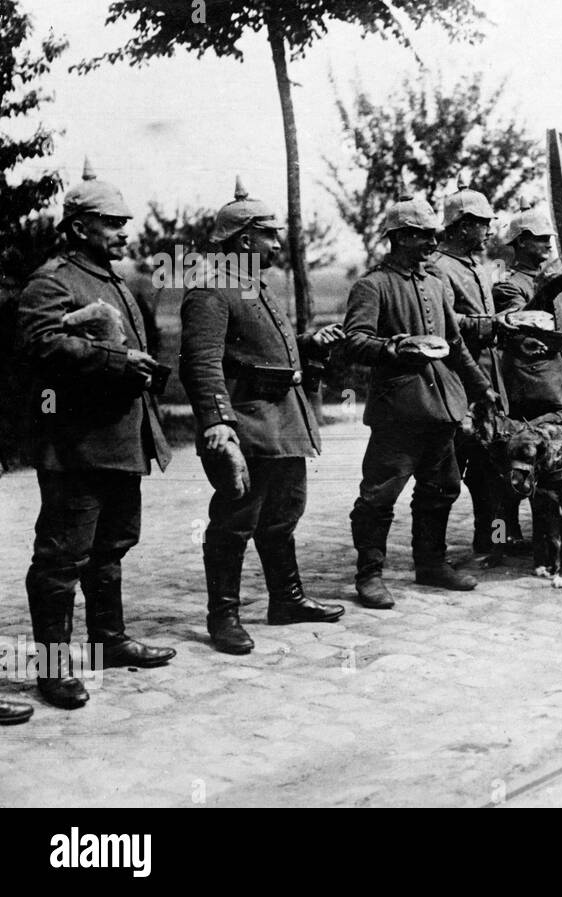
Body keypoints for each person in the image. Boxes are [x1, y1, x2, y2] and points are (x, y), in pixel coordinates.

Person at [16, 158, 175, 711]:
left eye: (125, 222)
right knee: (61, 558)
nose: (124, 232)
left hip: (121, 438)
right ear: (80, 226)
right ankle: (51, 669)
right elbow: (41, 346)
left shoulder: (118, 283)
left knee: (112, 546)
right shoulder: (52, 280)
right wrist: (114, 362)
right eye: (112, 222)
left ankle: (108, 642)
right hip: (75, 444)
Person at [180, 178, 345, 655]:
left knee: (283, 514)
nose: (278, 243)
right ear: (245, 239)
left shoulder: (254, 286)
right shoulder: (211, 289)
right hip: (247, 427)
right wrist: (217, 424)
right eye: (270, 234)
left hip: (284, 423)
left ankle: (286, 599)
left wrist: (310, 344)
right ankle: (223, 616)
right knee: (236, 520)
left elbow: (266, 348)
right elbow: (202, 362)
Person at [343, 194, 497, 607]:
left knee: (442, 488)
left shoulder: (433, 283)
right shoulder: (373, 286)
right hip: (399, 413)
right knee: (379, 496)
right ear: (399, 238)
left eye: (432, 234)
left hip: (442, 408)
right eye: (422, 236)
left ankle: (431, 564)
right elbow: (355, 341)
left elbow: (455, 343)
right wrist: (394, 348)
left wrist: (482, 387)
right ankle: (369, 575)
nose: (432, 242)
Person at [431, 189, 508, 554]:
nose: (489, 230)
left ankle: (491, 542)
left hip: (486, 380)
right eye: (482, 223)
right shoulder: (439, 267)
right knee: (448, 471)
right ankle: (433, 555)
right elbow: (445, 324)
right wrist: (489, 325)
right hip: (455, 381)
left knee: (490, 467)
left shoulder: (478, 265)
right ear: (462, 227)